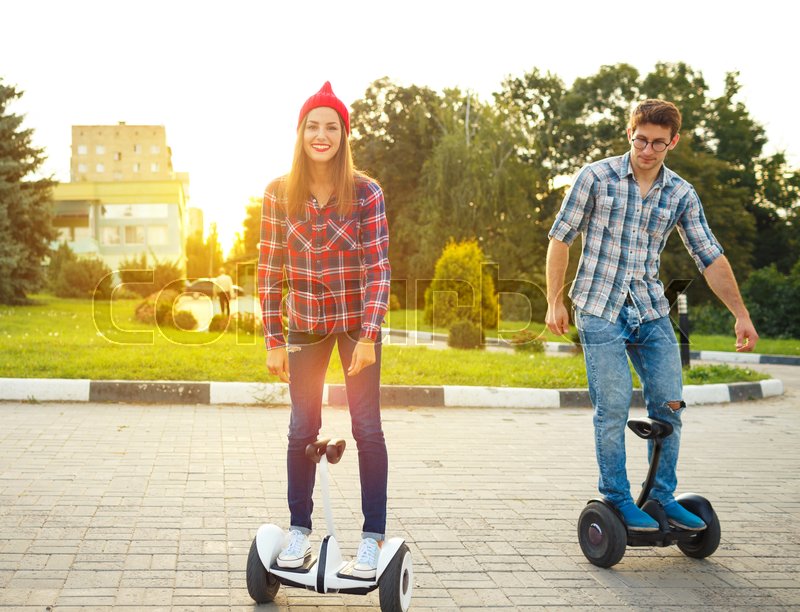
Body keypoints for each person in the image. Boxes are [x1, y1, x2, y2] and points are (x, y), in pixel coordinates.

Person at [545, 99, 759, 532]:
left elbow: (710, 256)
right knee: (614, 406)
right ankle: (618, 498)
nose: (647, 150)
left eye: (658, 143)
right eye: (641, 139)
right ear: (630, 134)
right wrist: (554, 300)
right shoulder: (596, 177)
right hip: (598, 305)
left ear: (672, 142)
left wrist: (741, 313)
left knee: (671, 403)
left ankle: (661, 497)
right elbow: (561, 238)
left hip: (649, 308)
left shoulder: (680, 193)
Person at [257, 82, 391, 577]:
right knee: (300, 429)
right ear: (300, 132)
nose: (321, 135)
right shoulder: (278, 193)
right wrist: (274, 338)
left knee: (366, 428)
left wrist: (370, 333)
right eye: (313, 126)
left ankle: (372, 538)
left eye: (331, 127)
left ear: (343, 135)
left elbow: (379, 266)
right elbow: (269, 268)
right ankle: (298, 530)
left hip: (358, 323)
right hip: (306, 326)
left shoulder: (366, 192)